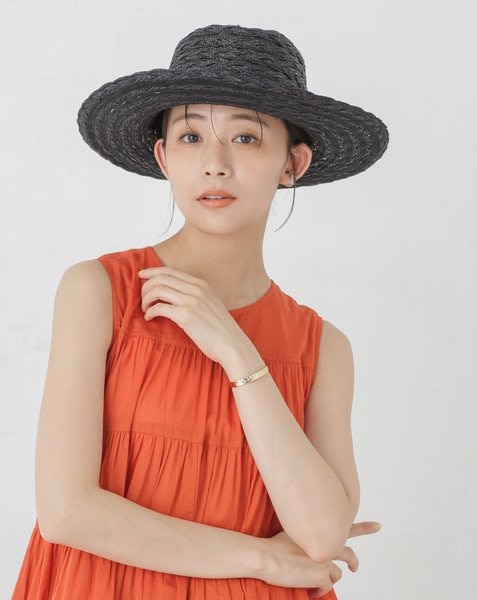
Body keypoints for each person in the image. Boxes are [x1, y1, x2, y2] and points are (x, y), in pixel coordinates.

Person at [11, 24, 389, 600]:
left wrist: (237, 352)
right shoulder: (100, 292)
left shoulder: (322, 346)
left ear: (293, 162)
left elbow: (320, 534)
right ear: (163, 156)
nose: (215, 164)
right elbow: (65, 511)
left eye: (246, 138)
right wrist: (261, 558)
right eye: (191, 136)